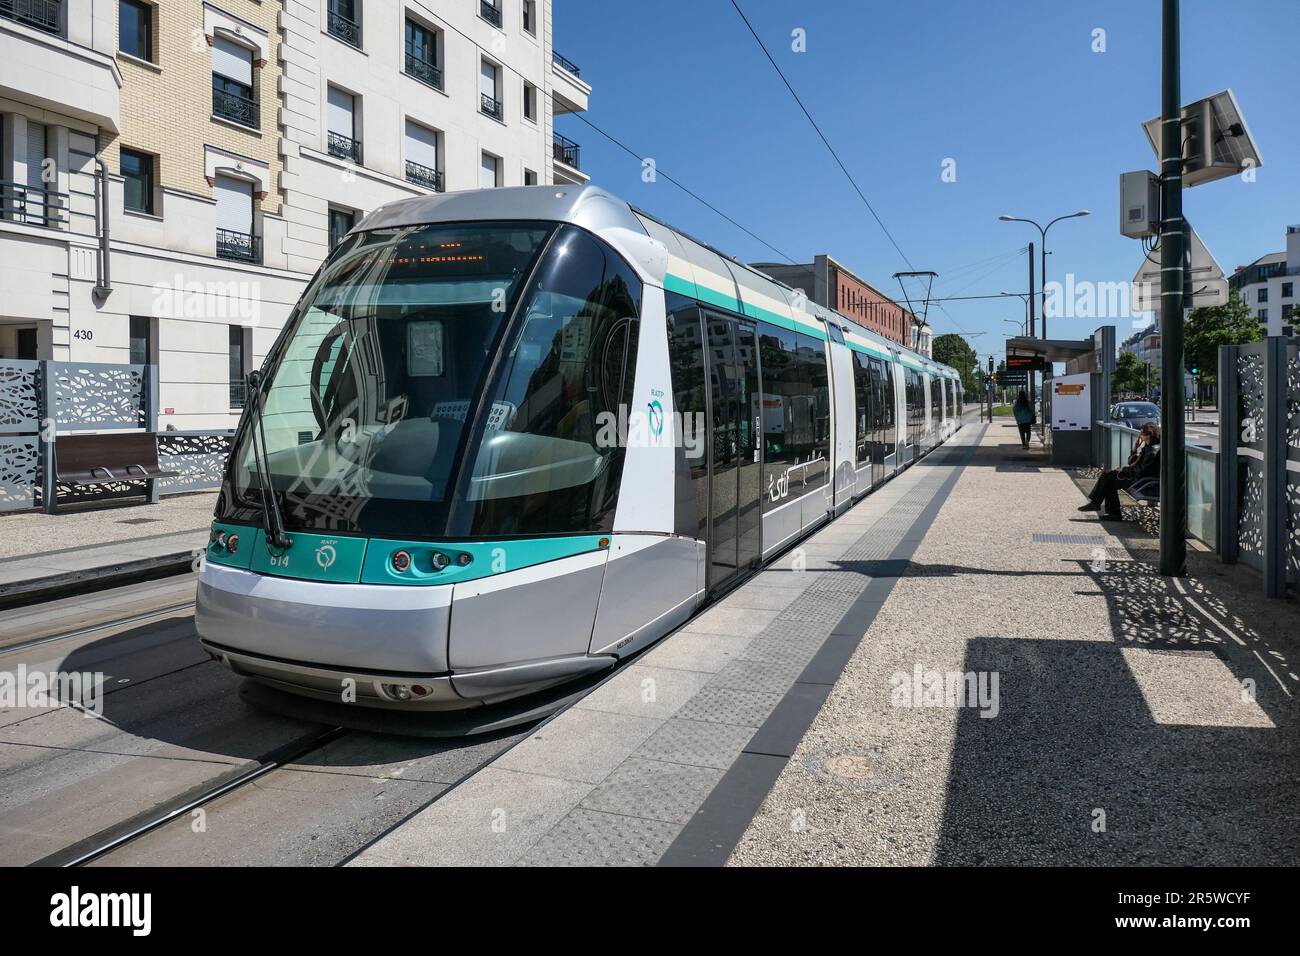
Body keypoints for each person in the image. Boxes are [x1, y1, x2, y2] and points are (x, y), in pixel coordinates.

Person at [1079, 423, 1160, 519]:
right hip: (1139, 479)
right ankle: (1103, 507)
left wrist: (1123, 470)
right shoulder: (1149, 447)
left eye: (1141, 433)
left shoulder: (1152, 450)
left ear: (1148, 435)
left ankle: (1101, 506)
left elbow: (1139, 470)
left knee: (1109, 478)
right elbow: (1132, 463)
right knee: (1108, 476)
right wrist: (1134, 449)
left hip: (1141, 482)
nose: (1139, 435)